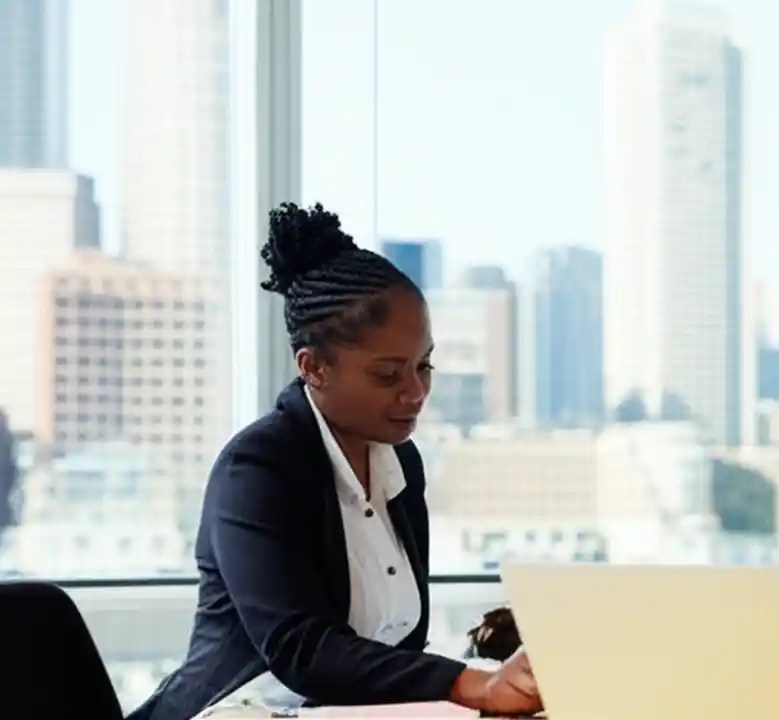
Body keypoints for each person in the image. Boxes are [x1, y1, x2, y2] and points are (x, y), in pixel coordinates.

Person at [127, 204, 542, 720]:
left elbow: (396, 650)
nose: (415, 392)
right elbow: (302, 648)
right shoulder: (257, 468)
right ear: (314, 367)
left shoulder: (400, 465)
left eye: (424, 365)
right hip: (237, 712)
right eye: (388, 374)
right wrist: (469, 684)